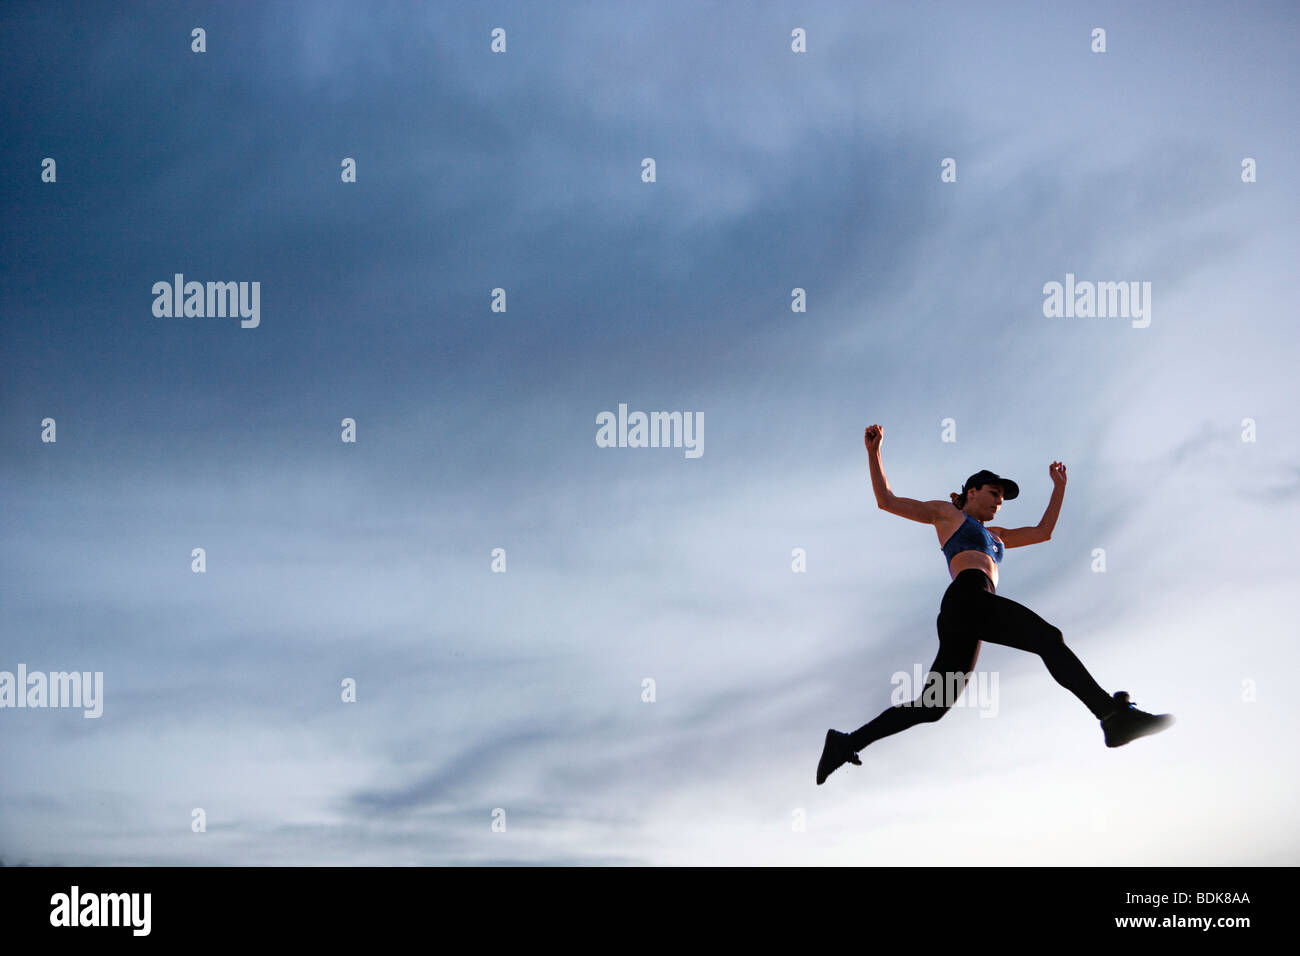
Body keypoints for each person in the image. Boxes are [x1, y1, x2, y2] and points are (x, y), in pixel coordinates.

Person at [816, 424, 1174, 785]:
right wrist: (873, 452)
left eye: (1003, 497)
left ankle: (846, 743)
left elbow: (1042, 532)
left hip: (971, 611)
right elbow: (887, 501)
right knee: (1048, 638)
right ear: (971, 492)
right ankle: (1111, 715)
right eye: (994, 492)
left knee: (932, 706)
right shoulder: (948, 514)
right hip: (967, 597)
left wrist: (1059, 489)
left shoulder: (998, 536)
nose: (999, 501)